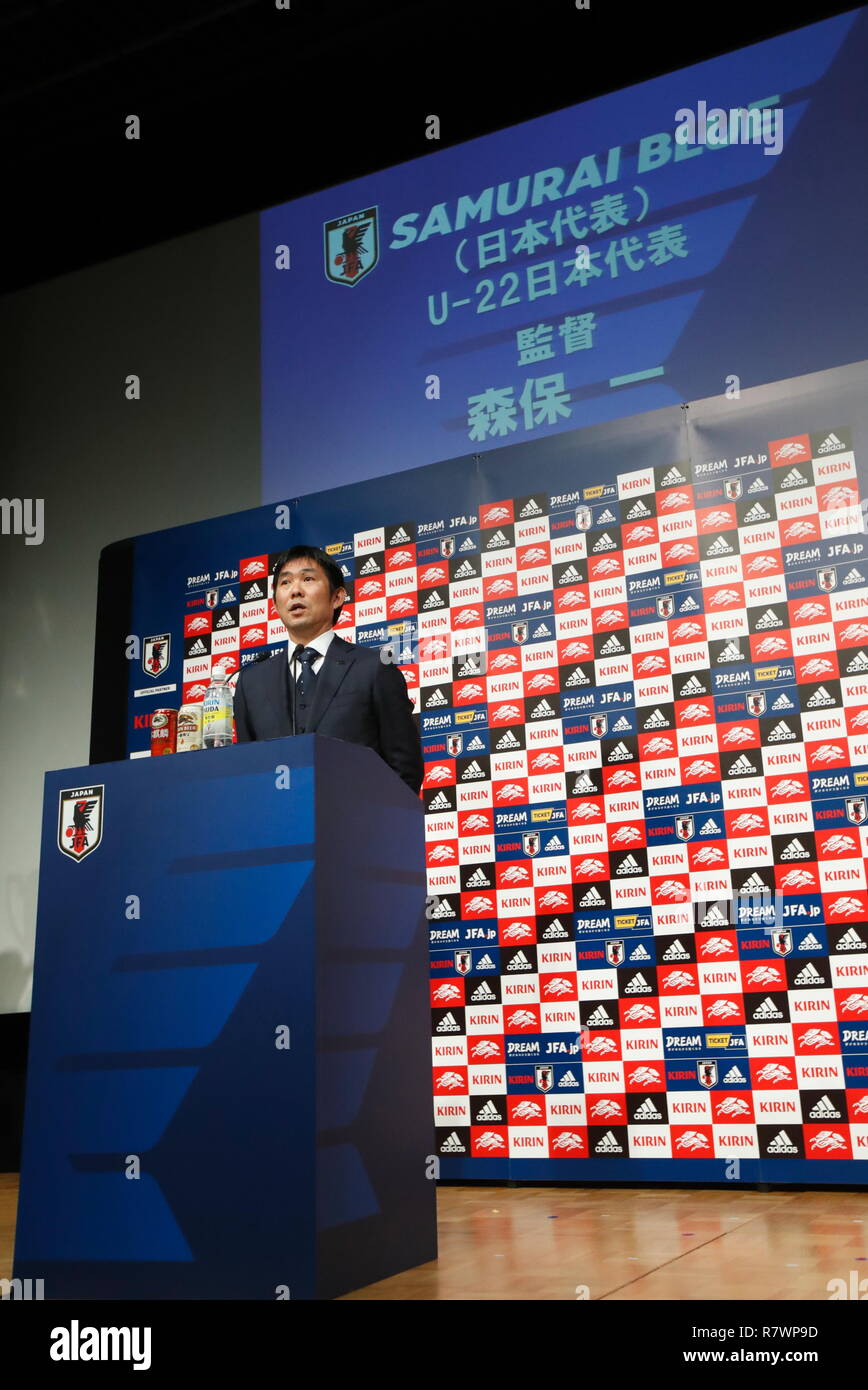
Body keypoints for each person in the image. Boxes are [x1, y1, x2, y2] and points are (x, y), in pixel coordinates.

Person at [232, 545, 423, 794]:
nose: (295, 591)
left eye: (308, 579)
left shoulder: (374, 668)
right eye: (285, 583)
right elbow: (250, 774)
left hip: (358, 826)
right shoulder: (250, 681)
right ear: (275, 604)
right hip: (277, 826)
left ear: (337, 597)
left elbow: (405, 770)